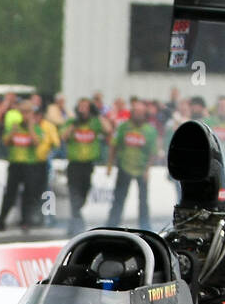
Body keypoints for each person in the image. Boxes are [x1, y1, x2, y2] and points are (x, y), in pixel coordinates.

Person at [0, 105, 47, 232]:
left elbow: (37, 143)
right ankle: (1, 221)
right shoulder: (14, 127)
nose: (25, 115)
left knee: (28, 194)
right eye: (23, 112)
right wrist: (13, 131)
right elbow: (5, 142)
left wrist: (31, 128)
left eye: (28, 112)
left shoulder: (36, 128)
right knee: (10, 193)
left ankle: (25, 221)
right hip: (15, 164)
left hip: (30, 164)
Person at [106, 99, 158, 231]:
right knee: (119, 197)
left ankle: (145, 226)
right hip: (124, 166)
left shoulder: (150, 130)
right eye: (135, 112)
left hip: (141, 168)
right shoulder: (123, 127)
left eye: (140, 112)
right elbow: (114, 145)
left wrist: (148, 170)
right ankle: (112, 224)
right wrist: (110, 165)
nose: (138, 115)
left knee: (143, 200)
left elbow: (153, 152)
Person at [61, 97, 107, 237]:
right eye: (80, 107)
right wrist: (73, 125)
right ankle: (77, 224)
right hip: (74, 164)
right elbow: (63, 137)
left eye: (86, 107)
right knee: (74, 194)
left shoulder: (94, 123)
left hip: (88, 165)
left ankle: (73, 222)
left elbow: (108, 130)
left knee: (83, 194)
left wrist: (98, 114)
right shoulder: (71, 122)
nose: (83, 110)